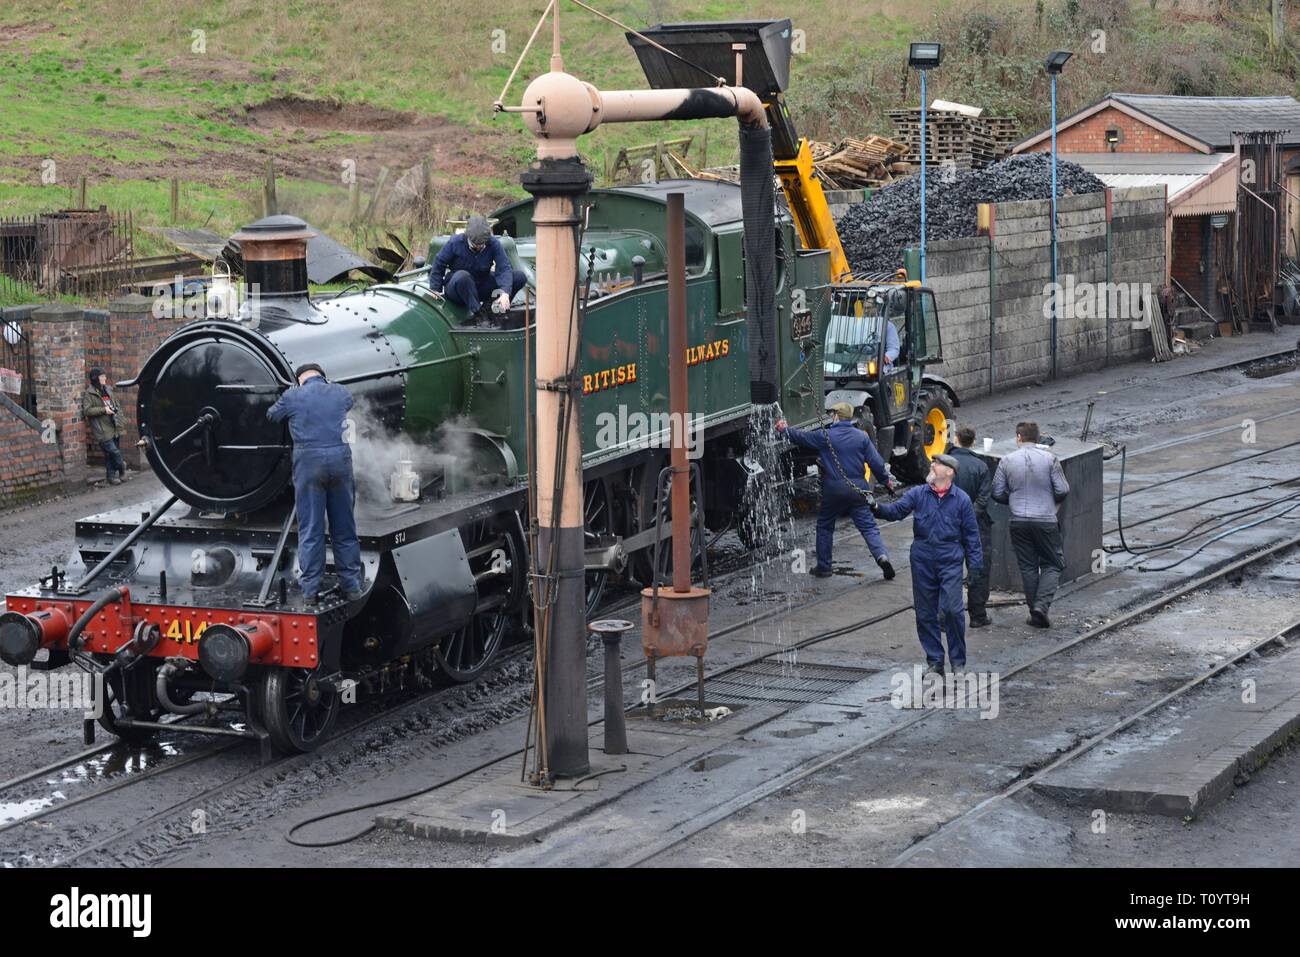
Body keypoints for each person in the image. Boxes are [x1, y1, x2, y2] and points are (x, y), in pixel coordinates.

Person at [874, 453, 982, 674]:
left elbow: (972, 536)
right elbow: (895, 512)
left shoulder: (961, 500)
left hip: (949, 557)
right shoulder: (918, 493)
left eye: (937, 463)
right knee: (925, 612)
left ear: (949, 472)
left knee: (952, 610)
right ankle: (935, 661)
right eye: (933, 462)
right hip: (922, 558)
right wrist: (875, 507)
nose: (932, 465)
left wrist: (975, 566)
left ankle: (958, 662)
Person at [267, 363, 364, 604]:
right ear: (323, 376)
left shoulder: (292, 396)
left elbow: (271, 415)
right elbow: (348, 403)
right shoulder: (339, 391)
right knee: (344, 527)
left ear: (299, 379)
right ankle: (351, 586)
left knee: (311, 528)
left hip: (309, 465)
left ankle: (310, 591)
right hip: (341, 464)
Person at [776, 402, 896, 580]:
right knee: (869, 527)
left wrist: (784, 429)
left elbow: (801, 437)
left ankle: (824, 567)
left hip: (833, 488)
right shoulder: (861, 437)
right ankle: (881, 556)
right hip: (859, 489)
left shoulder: (826, 436)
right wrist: (886, 482)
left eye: (832, 414)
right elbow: (876, 463)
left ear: (836, 416)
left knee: (825, 526)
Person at [991, 421, 1069, 629]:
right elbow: (1063, 489)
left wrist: (1015, 499)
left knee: (1027, 566)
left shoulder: (1006, 461)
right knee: (1053, 563)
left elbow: (996, 492)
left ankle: (1034, 612)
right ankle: (1041, 608)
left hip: (1018, 521)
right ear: (1038, 437)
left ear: (1018, 438)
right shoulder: (1050, 459)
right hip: (1045, 520)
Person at [428, 215, 527, 317]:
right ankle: (479, 313)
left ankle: (491, 308)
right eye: (476, 245)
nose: (479, 247)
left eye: (482, 244)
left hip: (481, 284)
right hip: (458, 288)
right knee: (463, 276)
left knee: (519, 277)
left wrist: (505, 292)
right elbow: (439, 262)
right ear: (468, 238)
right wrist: (435, 289)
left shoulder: (493, 244)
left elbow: (504, 268)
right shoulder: (455, 242)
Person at [949, 426, 993, 627]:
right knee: (978, 569)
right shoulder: (981, 466)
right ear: (973, 442)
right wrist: (969, 517)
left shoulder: (943, 464)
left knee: (948, 569)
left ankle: (946, 616)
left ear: (956, 439)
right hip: (976, 525)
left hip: (948, 524)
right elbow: (984, 499)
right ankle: (978, 615)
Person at [82, 368, 127, 485]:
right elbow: (87, 410)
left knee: (109, 455)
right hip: (102, 428)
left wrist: (120, 419)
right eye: (102, 376)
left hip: (113, 424)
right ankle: (122, 467)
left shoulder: (108, 389)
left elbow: (117, 405)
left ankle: (111, 477)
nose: (104, 378)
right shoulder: (89, 393)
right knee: (114, 452)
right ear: (96, 378)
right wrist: (103, 410)